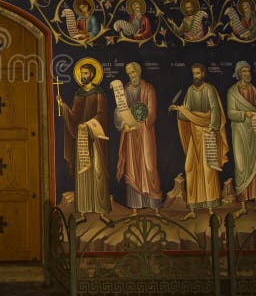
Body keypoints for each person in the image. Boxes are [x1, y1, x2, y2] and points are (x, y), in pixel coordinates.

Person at [170, 63, 228, 220]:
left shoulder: (209, 89)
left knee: (208, 169)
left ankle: (210, 207)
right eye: (194, 73)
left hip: (207, 134)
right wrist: (179, 110)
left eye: (198, 73)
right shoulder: (190, 90)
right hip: (194, 136)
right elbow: (187, 114)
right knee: (191, 168)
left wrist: (212, 126)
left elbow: (215, 110)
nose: (195, 76)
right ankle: (193, 208)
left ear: (203, 74)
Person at [57, 59, 110, 224]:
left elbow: (102, 114)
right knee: (83, 174)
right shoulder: (78, 94)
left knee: (98, 172)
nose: (83, 76)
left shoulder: (99, 93)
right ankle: (83, 212)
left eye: (86, 74)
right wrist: (64, 106)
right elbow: (74, 116)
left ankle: (102, 211)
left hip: (94, 139)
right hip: (80, 139)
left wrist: (87, 125)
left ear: (93, 75)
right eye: (82, 74)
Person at [114, 62, 162, 215]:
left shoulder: (148, 89)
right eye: (128, 73)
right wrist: (124, 122)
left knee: (148, 166)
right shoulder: (126, 90)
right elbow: (119, 109)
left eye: (133, 72)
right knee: (132, 168)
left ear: (139, 72)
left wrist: (142, 119)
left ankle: (154, 206)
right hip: (130, 133)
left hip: (145, 132)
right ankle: (135, 207)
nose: (131, 76)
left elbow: (152, 111)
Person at [227, 61, 256, 218]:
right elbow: (231, 113)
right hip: (239, 133)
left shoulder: (253, 89)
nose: (247, 73)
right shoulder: (232, 92)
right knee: (242, 165)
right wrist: (245, 114)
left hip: (254, 131)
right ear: (239, 73)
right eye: (244, 71)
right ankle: (243, 205)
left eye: (248, 70)